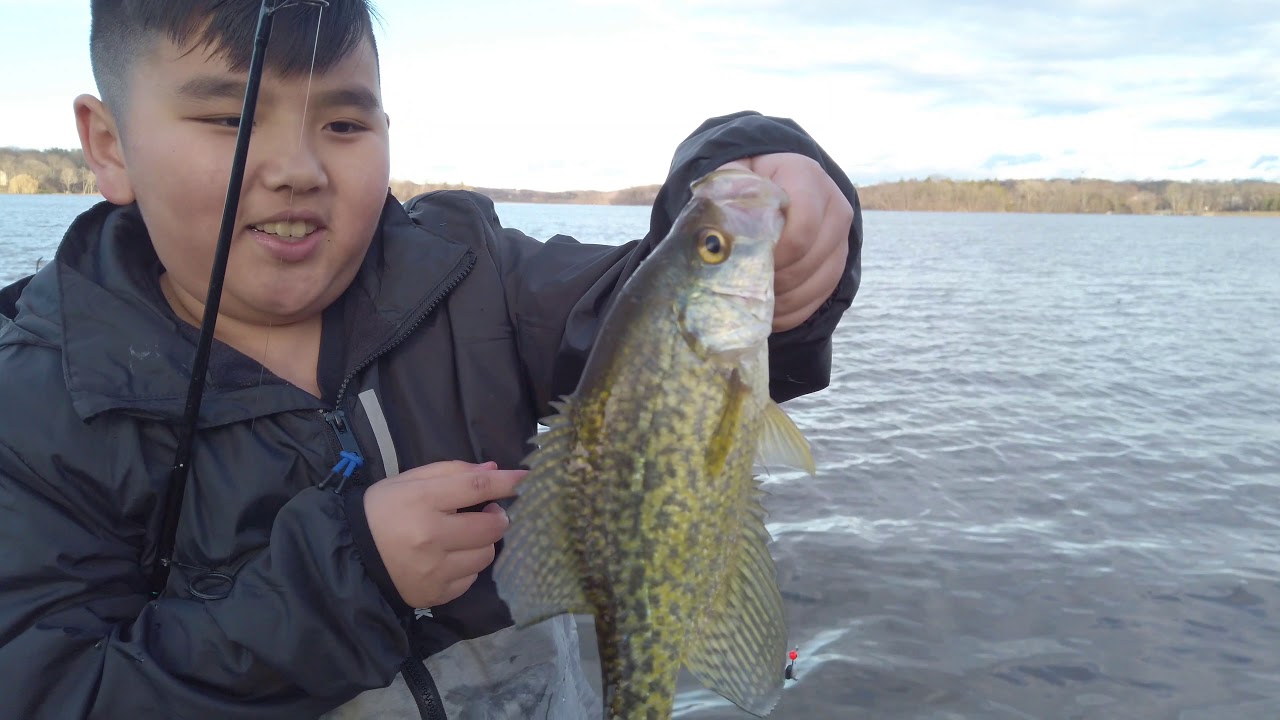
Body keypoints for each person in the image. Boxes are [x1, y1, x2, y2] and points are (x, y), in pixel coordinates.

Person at [0, 1, 862, 718]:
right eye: (229, 119)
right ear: (108, 145)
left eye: (342, 121)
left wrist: (748, 167)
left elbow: (644, 307)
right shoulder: (33, 411)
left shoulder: (472, 274)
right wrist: (348, 579)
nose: (296, 169)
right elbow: (54, 693)